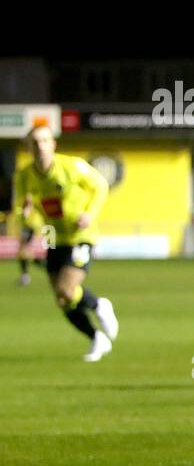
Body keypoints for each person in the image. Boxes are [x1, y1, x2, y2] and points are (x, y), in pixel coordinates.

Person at [11, 125, 119, 361]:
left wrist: (90, 213)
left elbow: (100, 185)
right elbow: (21, 210)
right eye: (35, 142)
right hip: (54, 238)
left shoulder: (72, 166)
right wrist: (25, 213)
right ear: (29, 147)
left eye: (44, 141)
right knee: (62, 300)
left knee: (66, 289)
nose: (40, 146)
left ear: (53, 144)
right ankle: (97, 338)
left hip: (81, 236)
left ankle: (99, 305)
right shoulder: (24, 176)